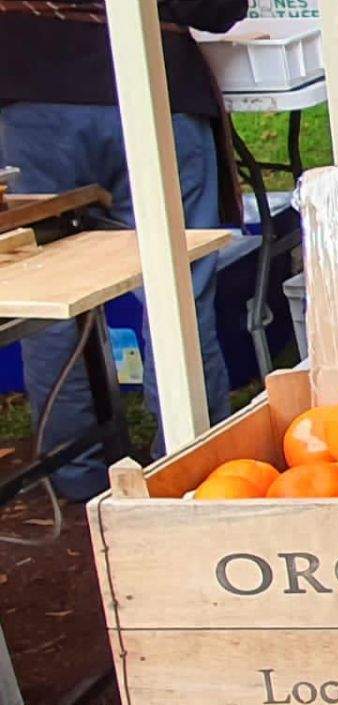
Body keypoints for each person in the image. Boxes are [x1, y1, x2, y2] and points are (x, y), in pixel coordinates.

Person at [0, 0, 246, 501]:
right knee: (178, 293)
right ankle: (192, 462)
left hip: (29, 89)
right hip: (153, 88)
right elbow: (216, 8)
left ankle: (75, 476)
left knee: (49, 299)